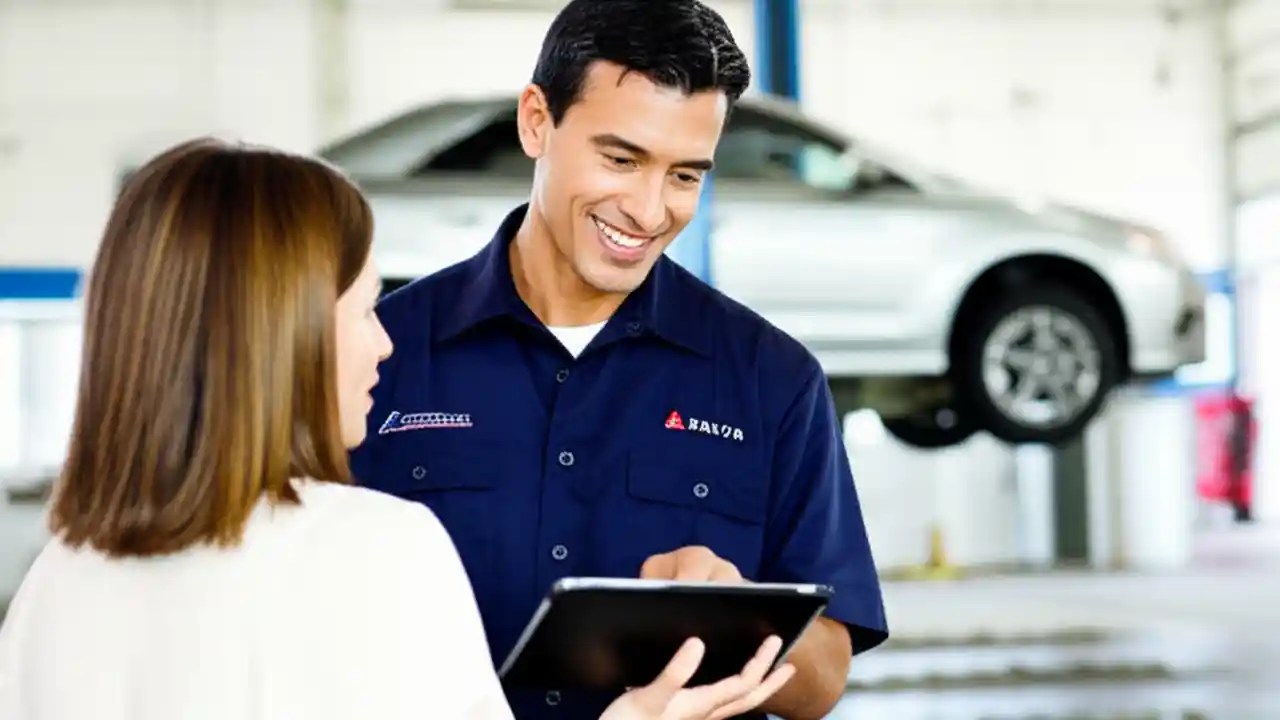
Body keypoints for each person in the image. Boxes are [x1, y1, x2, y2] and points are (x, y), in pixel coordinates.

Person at [0, 138, 795, 720]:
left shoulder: (58, 584)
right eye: (360, 306)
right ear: (284, 331)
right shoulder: (378, 548)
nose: (384, 339)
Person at [348, 1, 890, 719]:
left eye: (685, 176)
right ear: (537, 120)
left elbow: (824, 679)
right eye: (621, 159)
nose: (648, 208)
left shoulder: (772, 380)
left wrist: (741, 617)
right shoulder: (377, 356)